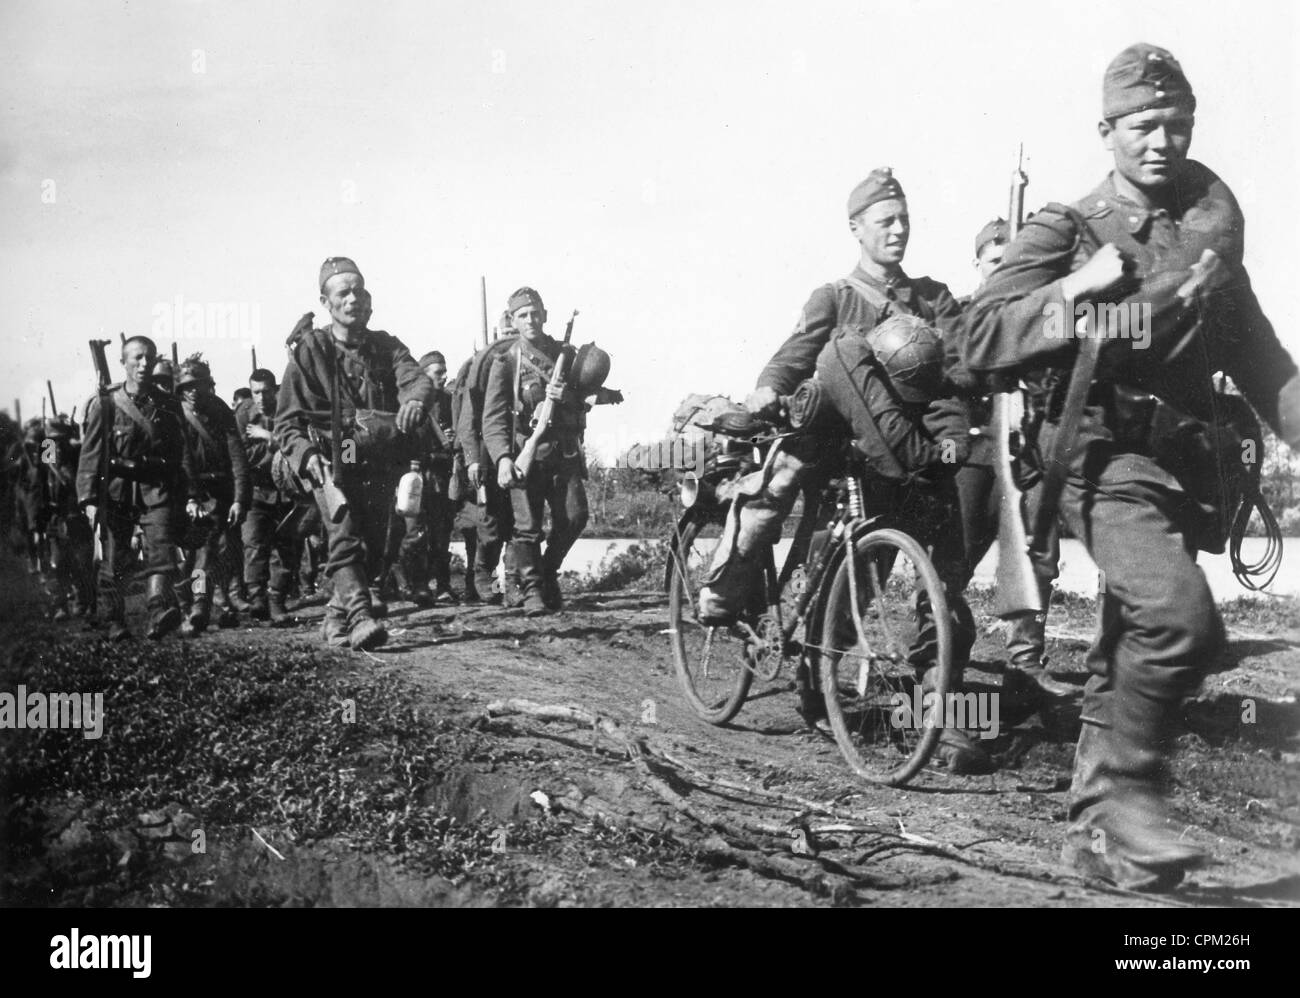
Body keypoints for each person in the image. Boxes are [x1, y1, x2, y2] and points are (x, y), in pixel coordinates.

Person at [964, 43, 1300, 890]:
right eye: (1144, 126)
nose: (1162, 141)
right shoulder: (1069, 228)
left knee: (1128, 638)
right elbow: (976, 339)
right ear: (1106, 130)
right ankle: (1127, 806)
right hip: (1092, 456)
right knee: (1180, 621)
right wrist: (1078, 287)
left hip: (1173, 468)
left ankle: (1095, 838)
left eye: (1177, 125)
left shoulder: (1210, 241)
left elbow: (1267, 367)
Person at [695, 169, 1000, 771]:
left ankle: (938, 705)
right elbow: (795, 353)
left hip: (922, 455)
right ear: (856, 228)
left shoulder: (933, 297)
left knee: (946, 575)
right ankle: (817, 672)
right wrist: (766, 389)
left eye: (904, 219)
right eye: (885, 220)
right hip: (853, 458)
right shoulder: (836, 296)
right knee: (853, 576)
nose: (898, 229)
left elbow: (963, 365)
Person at [274, 256, 435, 651]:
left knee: (378, 539)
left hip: (379, 451)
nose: (354, 299)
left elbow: (414, 378)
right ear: (326, 303)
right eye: (343, 292)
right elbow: (286, 422)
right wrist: (308, 456)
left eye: (360, 290)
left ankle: (334, 619)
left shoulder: (386, 346)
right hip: (338, 448)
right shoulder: (311, 350)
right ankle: (361, 615)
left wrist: (415, 399)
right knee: (344, 525)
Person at [953, 219, 1071, 701]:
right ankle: (936, 670)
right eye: (996, 261)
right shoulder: (962, 313)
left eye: (1014, 263)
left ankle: (1024, 666)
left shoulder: (1043, 315)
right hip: (975, 454)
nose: (1005, 271)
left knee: (1038, 559)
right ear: (979, 264)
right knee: (952, 562)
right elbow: (951, 369)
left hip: (1031, 457)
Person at [482, 287, 620, 615]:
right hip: (525, 456)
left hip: (564, 454)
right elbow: (493, 418)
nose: (530, 320)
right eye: (522, 315)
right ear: (513, 319)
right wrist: (502, 458)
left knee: (574, 517)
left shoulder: (566, 355)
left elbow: (595, 397)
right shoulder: (506, 362)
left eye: (535, 313)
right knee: (527, 526)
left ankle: (548, 570)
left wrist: (567, 396)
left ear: (545, 315)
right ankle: (531, 590)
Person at [76, 335, 193, 641]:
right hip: (115, 493)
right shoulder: (105, 403)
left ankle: (156, 610)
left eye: (149, 358)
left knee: (162, 549)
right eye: (137, 358)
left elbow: (181, 449)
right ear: (123, 363)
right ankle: (113, 620)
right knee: (114, 561)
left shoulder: (167, 403)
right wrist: (88, 498)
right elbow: (91, 452)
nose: (144, 364)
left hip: (156, 488)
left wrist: (188, 491)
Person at [174, 354, 250, 636]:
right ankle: (198, 604)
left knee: (224, 552)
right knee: (202, 553)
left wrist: (241, 498)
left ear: (209, 386)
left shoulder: (221, 411)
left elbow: (237, 456)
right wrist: (192, 497)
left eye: (199, 385)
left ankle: (215, 602)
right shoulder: (177, 414)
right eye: (187, 386)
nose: (193, 391)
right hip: (191, 491)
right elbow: (183, 459)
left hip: (222, 491)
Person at [455, 311, 520, 604]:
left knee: (522, 523)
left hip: (521, 452)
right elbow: (468, 418)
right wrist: (471, 458)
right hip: (486, 452)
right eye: (505, 331)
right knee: (491, 523)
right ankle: (484, 576)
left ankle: (515, 584)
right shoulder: (481, 364)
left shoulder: (530, 360)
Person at [394, 350, 461, 604]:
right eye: (438, 372)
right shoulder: (407, 402)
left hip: (441, 475)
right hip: (414, 475)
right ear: (423, 374)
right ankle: (416, 584)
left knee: (442, 533)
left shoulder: (448, 402)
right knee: (414, 533)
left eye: (445, 372)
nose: (444, 377)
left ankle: (443, 585)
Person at [236, 367, 300, 624]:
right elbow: (241, 455)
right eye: (256, 392)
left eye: (266, 391)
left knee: (285, 548)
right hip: (256, 492)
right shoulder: (243, 415)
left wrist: (269, 438)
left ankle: (277, 600)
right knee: (253, 545)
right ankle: (257, 598)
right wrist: (276, 452)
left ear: (275, 390)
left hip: (287, 493)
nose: (261, 398)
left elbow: (298, 444)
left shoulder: (289, 410)